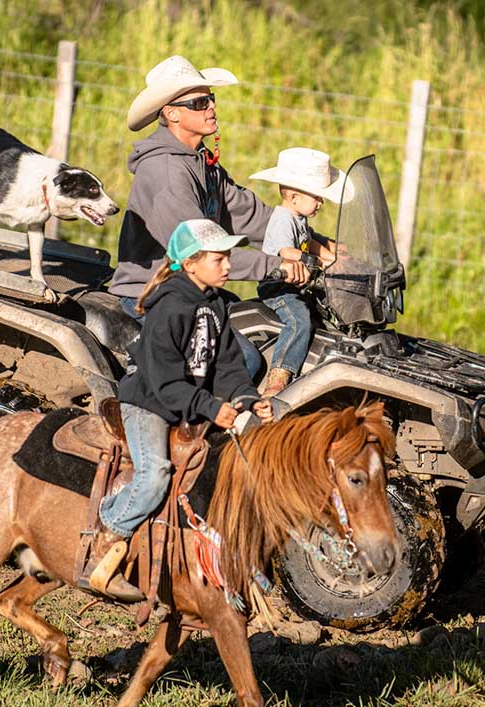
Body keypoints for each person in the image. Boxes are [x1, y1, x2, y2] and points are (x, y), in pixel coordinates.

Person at [82, 218, 274, 602]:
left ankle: (231, 556)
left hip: (187, 402)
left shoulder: (216, 303)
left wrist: (247, 398)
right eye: (219, 258)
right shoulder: (170, 308)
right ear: (191, 264)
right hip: (150, 403)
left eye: (228, 257)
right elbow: (163, 381)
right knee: (155, 474)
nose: (228, 265)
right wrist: (208, 406)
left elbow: (228, 365)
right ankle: (105, 538)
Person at [111, 55, 311, 377]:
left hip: (193, 289)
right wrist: (277, 267)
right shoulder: (165, 172)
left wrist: (311, 242)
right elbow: (202, 254)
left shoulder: (200, 161)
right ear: (172, 113)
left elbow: (245, 212)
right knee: (243, 362)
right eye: (200, 102)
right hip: (153, 293)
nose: (212, 108)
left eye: (211, 99)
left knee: (262, 327)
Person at [249, 147, 348, 397]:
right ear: (294, 198)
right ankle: (279, 374)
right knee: (299, 320)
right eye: (317, 197)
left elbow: (311, 241)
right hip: (279, 286)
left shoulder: (299, 218)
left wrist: (337, 255)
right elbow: (287, 252)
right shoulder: (283, 218)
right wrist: (316, 261)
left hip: (299, 283)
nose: (321, 202)